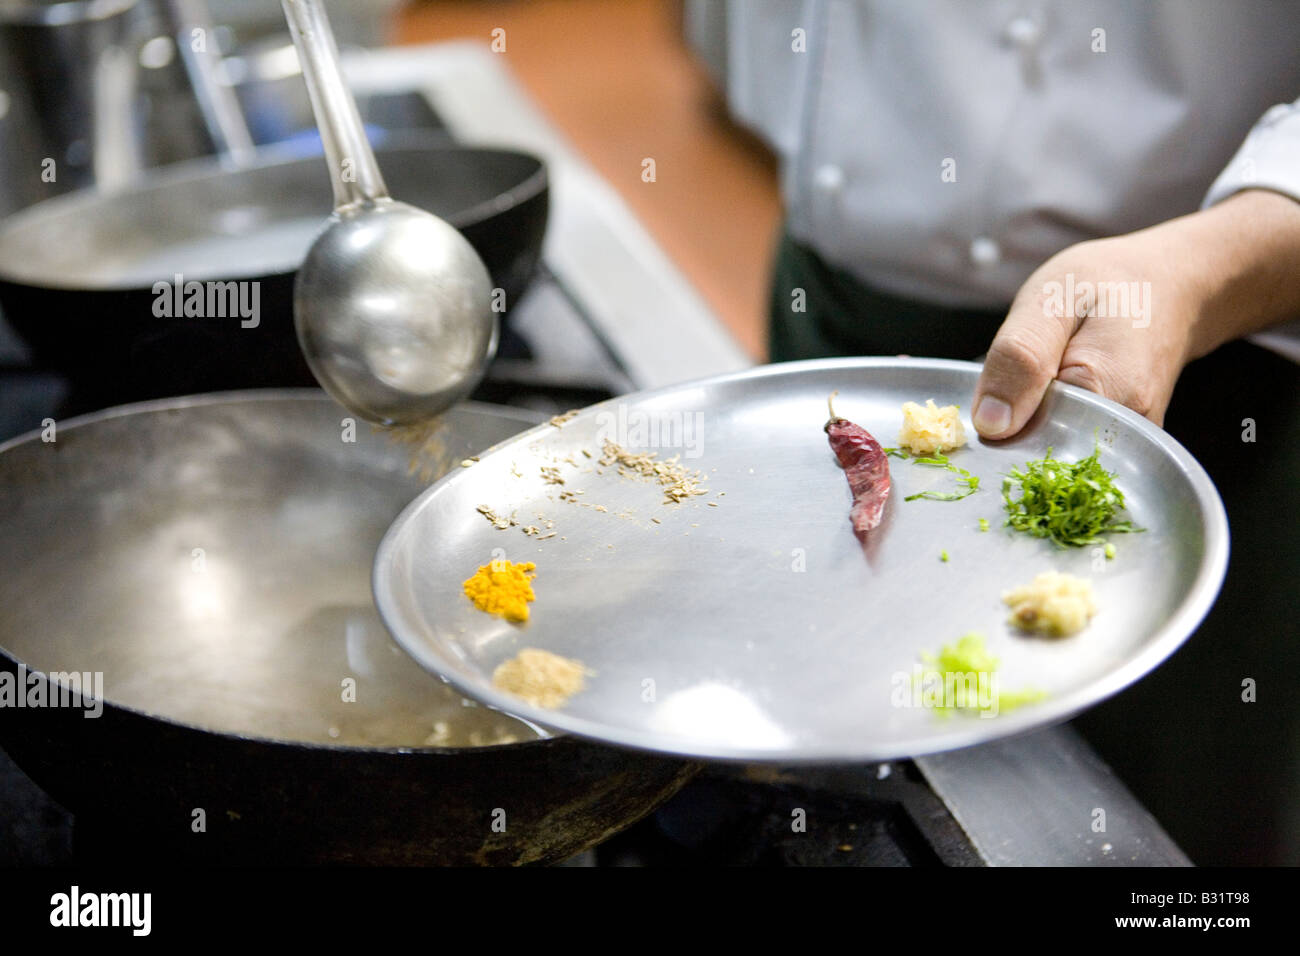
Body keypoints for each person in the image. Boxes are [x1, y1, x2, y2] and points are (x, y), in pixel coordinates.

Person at [689, 0, 1300, 864]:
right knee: (834, 758)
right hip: (842, 316)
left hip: (1210, 352)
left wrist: (1207, 267)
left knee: (1154, 825)